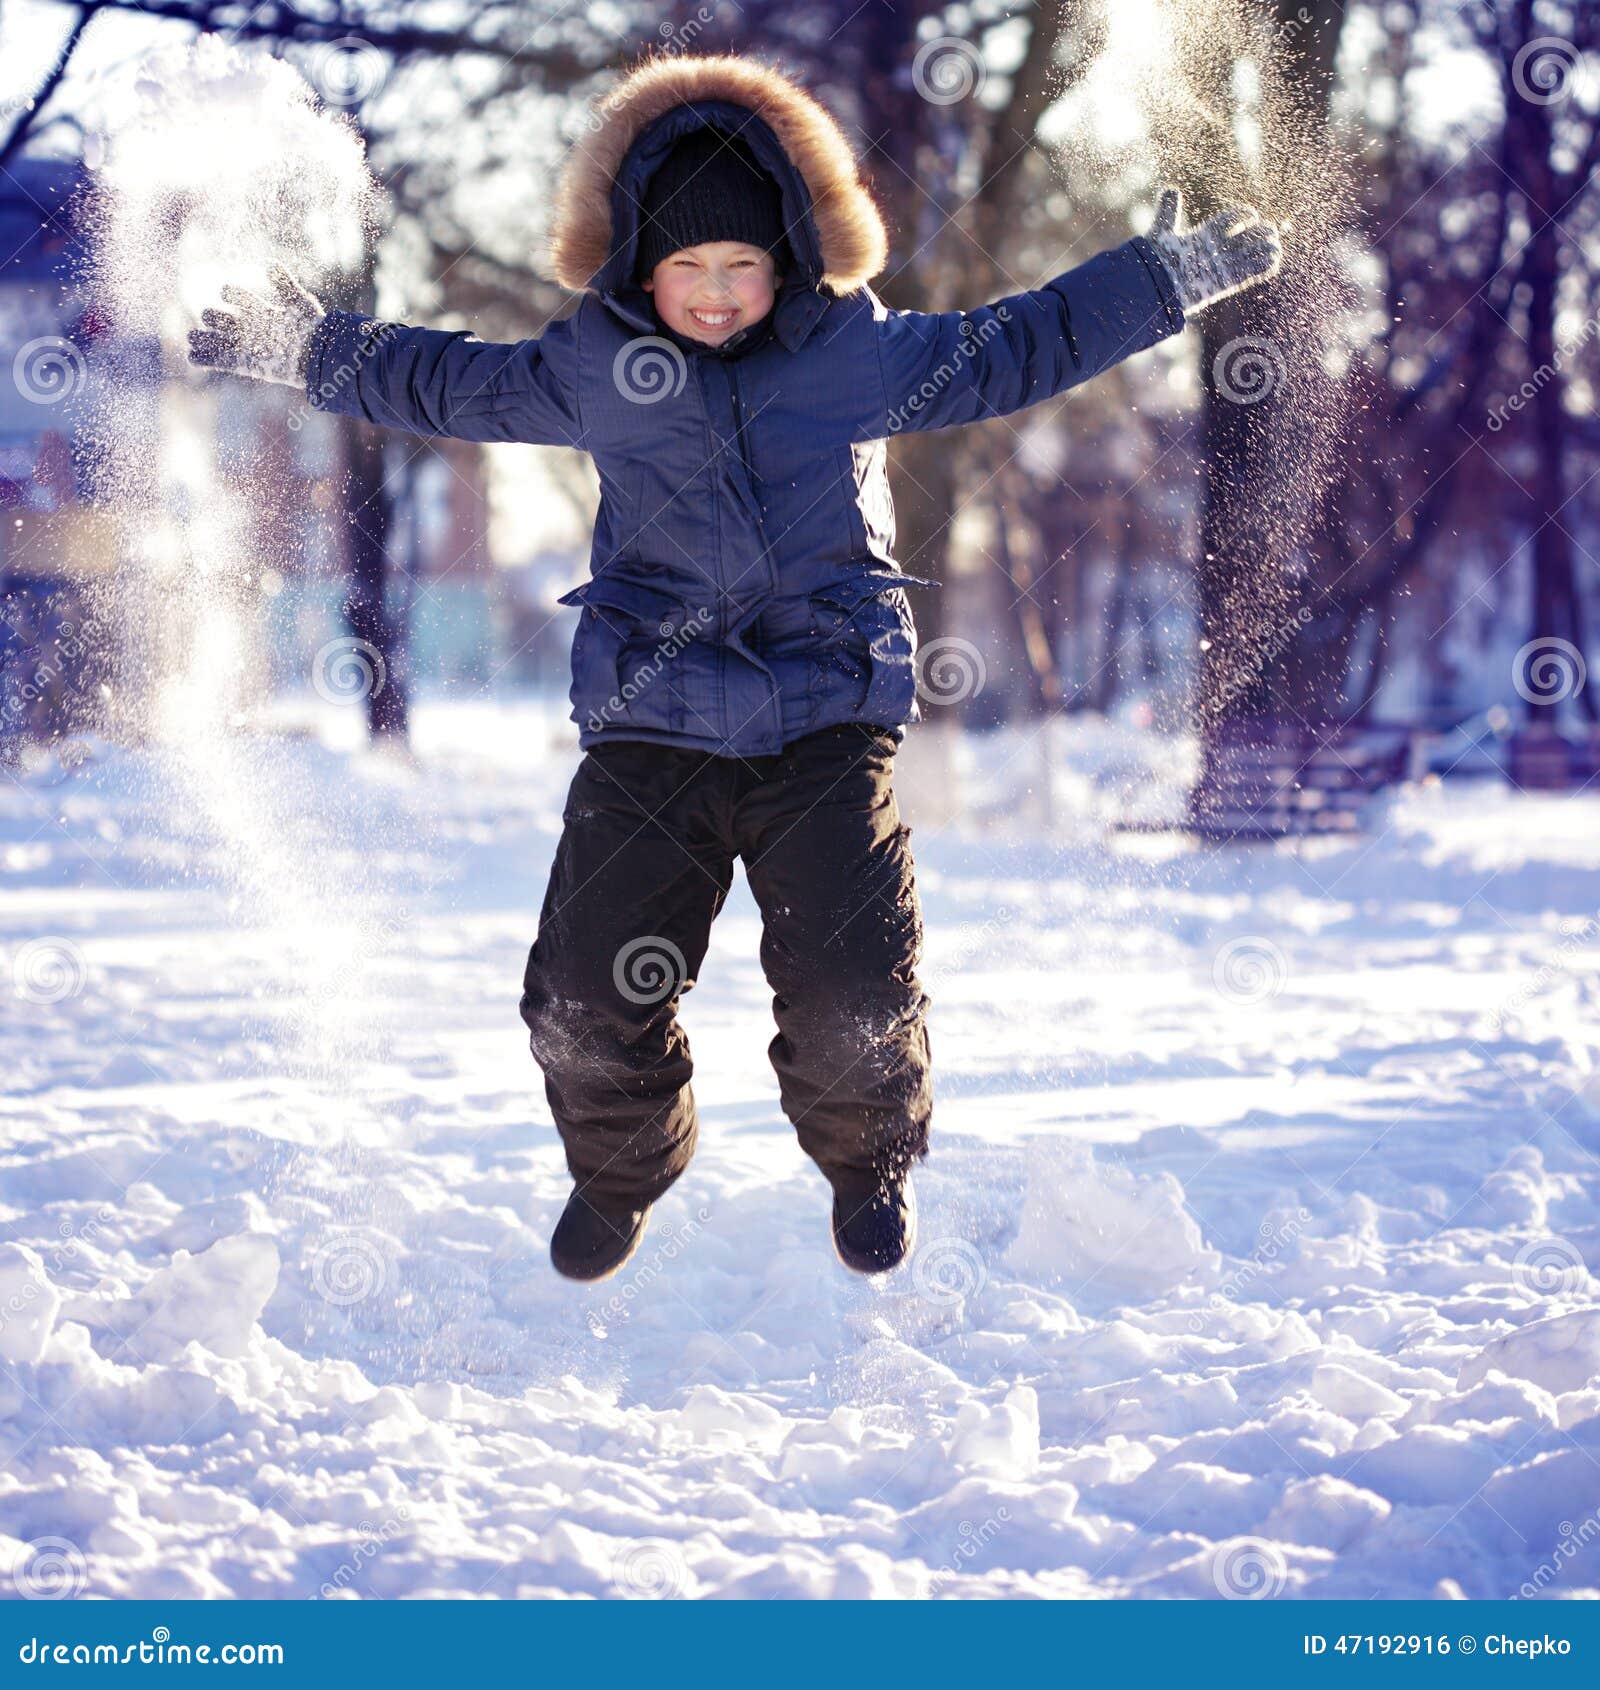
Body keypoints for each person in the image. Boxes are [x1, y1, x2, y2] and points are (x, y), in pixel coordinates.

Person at [189, 53, 1282, 1284]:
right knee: (584, 999)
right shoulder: (595, 369)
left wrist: (1156, 282)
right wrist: (300, 344)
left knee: (848, 990)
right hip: (653, 722)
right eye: (687, 268)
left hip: (821, 715)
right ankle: (620, 1168)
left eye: (742, 266)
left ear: (788, 261)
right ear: (637, 269)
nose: (715, 294)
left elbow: (1011, 345)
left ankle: (866, 1166)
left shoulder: (852, 358)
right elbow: (438, 377)